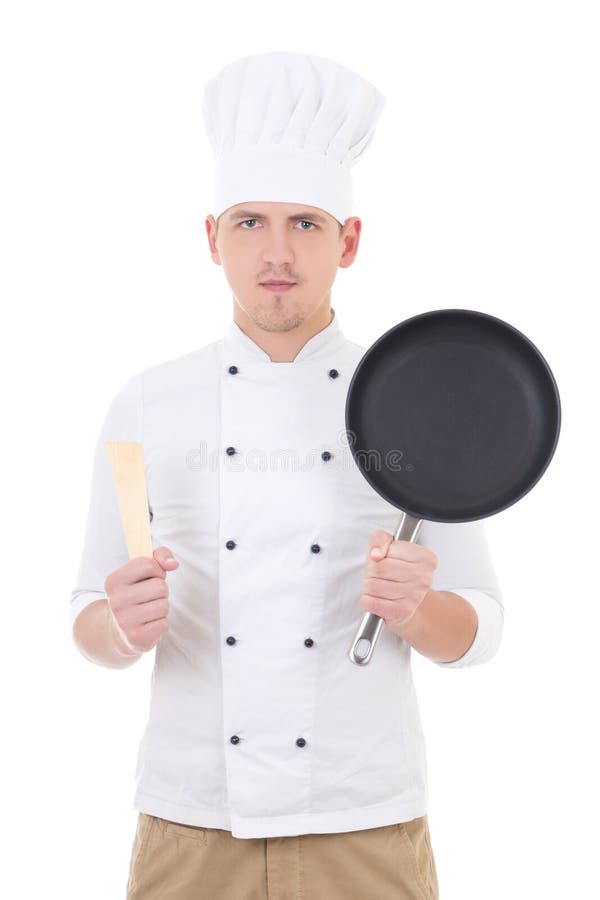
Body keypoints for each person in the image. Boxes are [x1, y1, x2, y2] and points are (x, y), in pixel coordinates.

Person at [69, 51, 504, 900]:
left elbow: (482, 631)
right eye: (250, 223)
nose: (277, 254)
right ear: (211, 238)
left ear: (349, 241)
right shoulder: (148, 403)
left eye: (305, 224)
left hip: (365, 823)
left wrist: (421, 609)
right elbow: (86, 615)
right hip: (191, 827)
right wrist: (119, 627)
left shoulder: (410, 396)